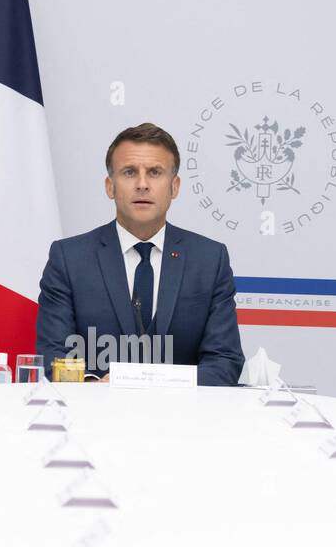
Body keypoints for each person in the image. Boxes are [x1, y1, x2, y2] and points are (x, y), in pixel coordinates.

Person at [35, 122, 245, 385]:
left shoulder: (210, 260)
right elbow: (53, 357)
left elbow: (224, 361)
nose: (142, 184)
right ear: (110, 186)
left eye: (155, 172)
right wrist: (92, 387)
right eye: (129, 172)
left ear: (175, 186)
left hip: (184, 421)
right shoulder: (68, 259)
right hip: (95, 418)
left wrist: (154, 385)